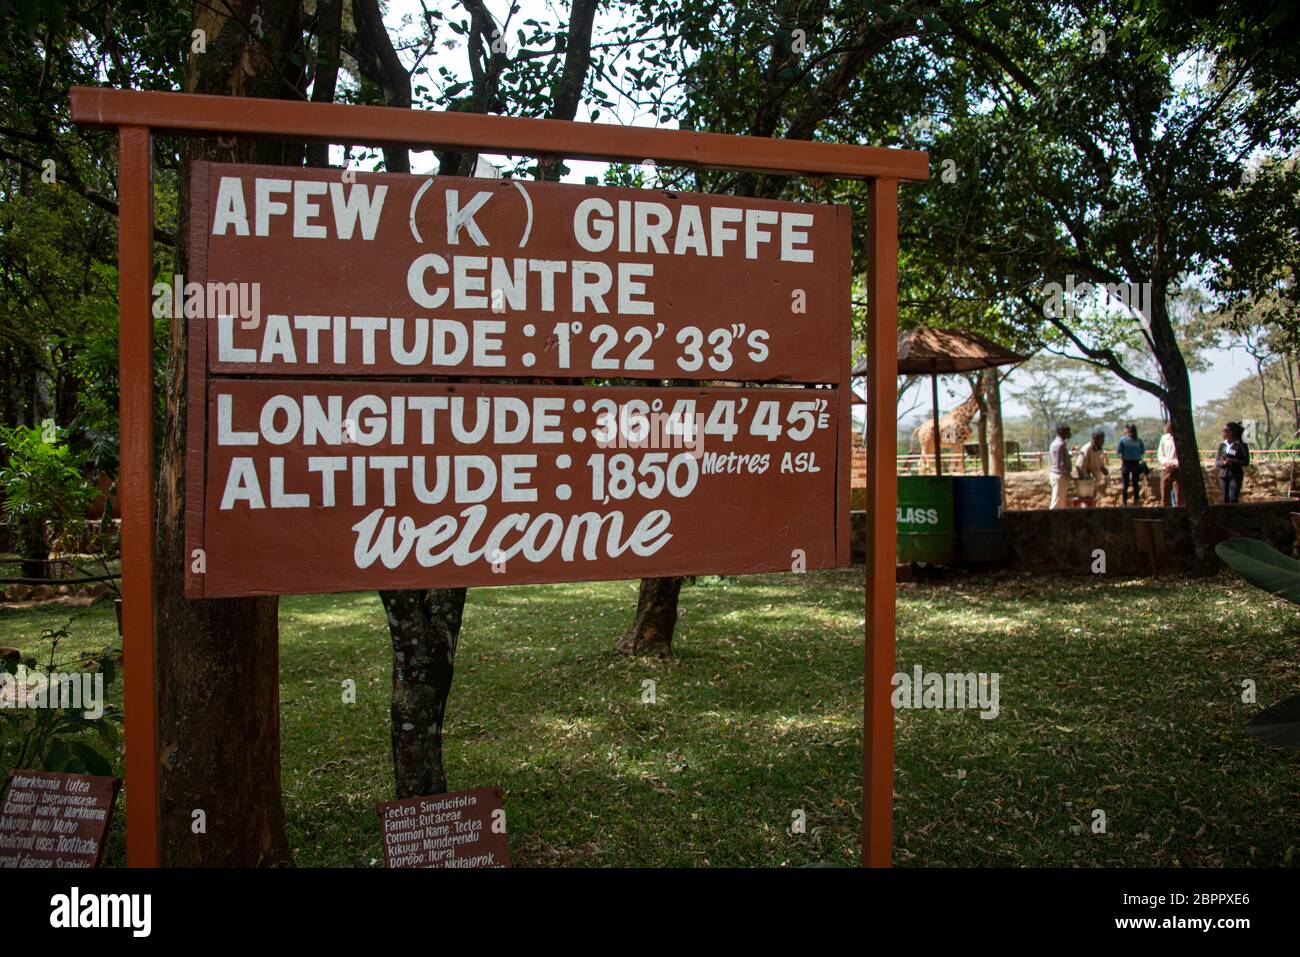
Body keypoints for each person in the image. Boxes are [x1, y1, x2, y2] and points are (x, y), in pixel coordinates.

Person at [1216, 421, 1250, 503]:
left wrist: (1231, 461)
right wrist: (1222, 463)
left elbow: (1246, 462)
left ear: (1231, 432)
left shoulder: (1241, 445)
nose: (1223, 433)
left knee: (1233, 498)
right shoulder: (1222, 445)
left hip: (1235, 476)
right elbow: (1217, 462)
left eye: (1225, 430)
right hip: (1223, 476)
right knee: (1224, 499)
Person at [1116, 423, 1146, 505]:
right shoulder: (1139, 441)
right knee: (1135, 483)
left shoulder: (1123, 440)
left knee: (1125, 484)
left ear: (1128, 430)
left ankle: (1124, 502)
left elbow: (1119, 451)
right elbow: (1143, 451)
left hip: (1126, 463)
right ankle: (1136, 501)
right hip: (1136, 463)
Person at [1075, 429, 1109, 493]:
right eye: (1102, 439)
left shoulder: (1099, 449)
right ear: (1096, 439)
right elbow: (1079, 466)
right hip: (1087, 481)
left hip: (1095, 481)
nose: (1103, 441)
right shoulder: (1086, 449)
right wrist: (1086, 478)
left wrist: (1103, 468)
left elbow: (1099, 461)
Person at [1048, 423, 1071, 509]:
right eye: (1067, 432)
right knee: (1056, 502)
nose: (1069, 434)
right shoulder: (1059, 445)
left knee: (1061, 502)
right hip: (1059, 476)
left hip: (1059, 475)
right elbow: (1060, 464)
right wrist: (1067, 473)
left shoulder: (1059, 444)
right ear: (1061, 432)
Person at [1157, 422, 1179, 506]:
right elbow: (1160, 454)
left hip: (1177, 469)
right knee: (1165, 494)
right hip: (1166, 468)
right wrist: (1166, 462)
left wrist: (1175, 464)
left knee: (1179, 495)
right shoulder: (1164, 438)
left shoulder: (1180, 439)